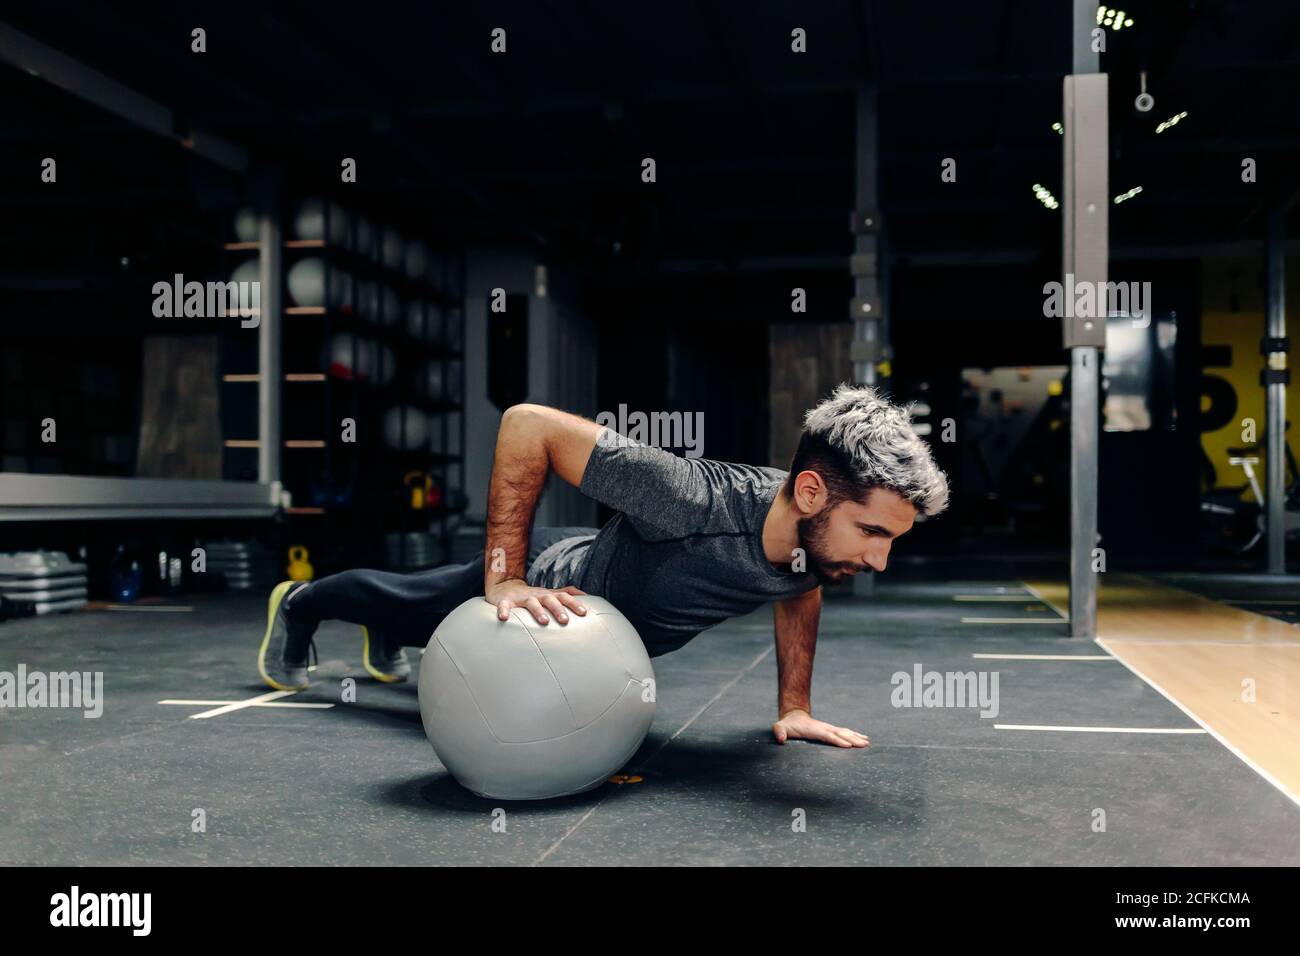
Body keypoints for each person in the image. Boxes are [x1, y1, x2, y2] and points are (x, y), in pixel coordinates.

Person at [257, 383, 949, 747]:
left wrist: (793, 707)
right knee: (404, 599)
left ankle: (390, 632)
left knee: (407, 614)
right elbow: (528, 425)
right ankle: (299, 603)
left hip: (588, 614)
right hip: (545, 601)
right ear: (810, 494)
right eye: (871, 533)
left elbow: (800, 586)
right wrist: (506, 576)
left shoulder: (812, 541)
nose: (879, 560)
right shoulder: (689, 498)